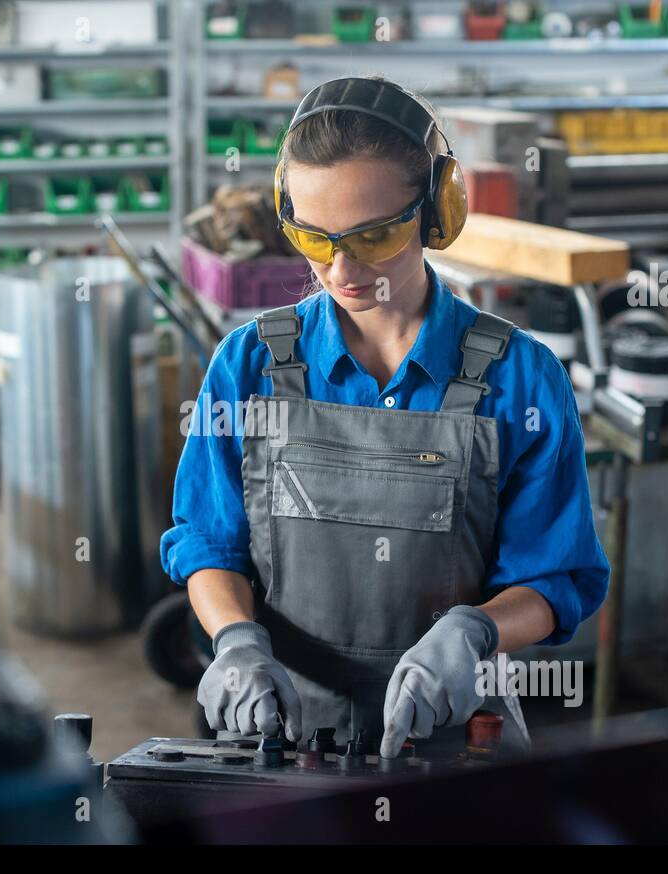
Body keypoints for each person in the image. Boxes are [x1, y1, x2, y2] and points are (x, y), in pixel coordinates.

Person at [161, 76, 609, 758]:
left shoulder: (518, 377)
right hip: (284, 740)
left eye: (374, 236)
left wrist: (475, 631)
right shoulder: (248, 366)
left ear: (437, 212)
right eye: (313, 238)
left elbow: (555, 577)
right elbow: (207, 544)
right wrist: (236, 639)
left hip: (456, 739)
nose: (341, 269)